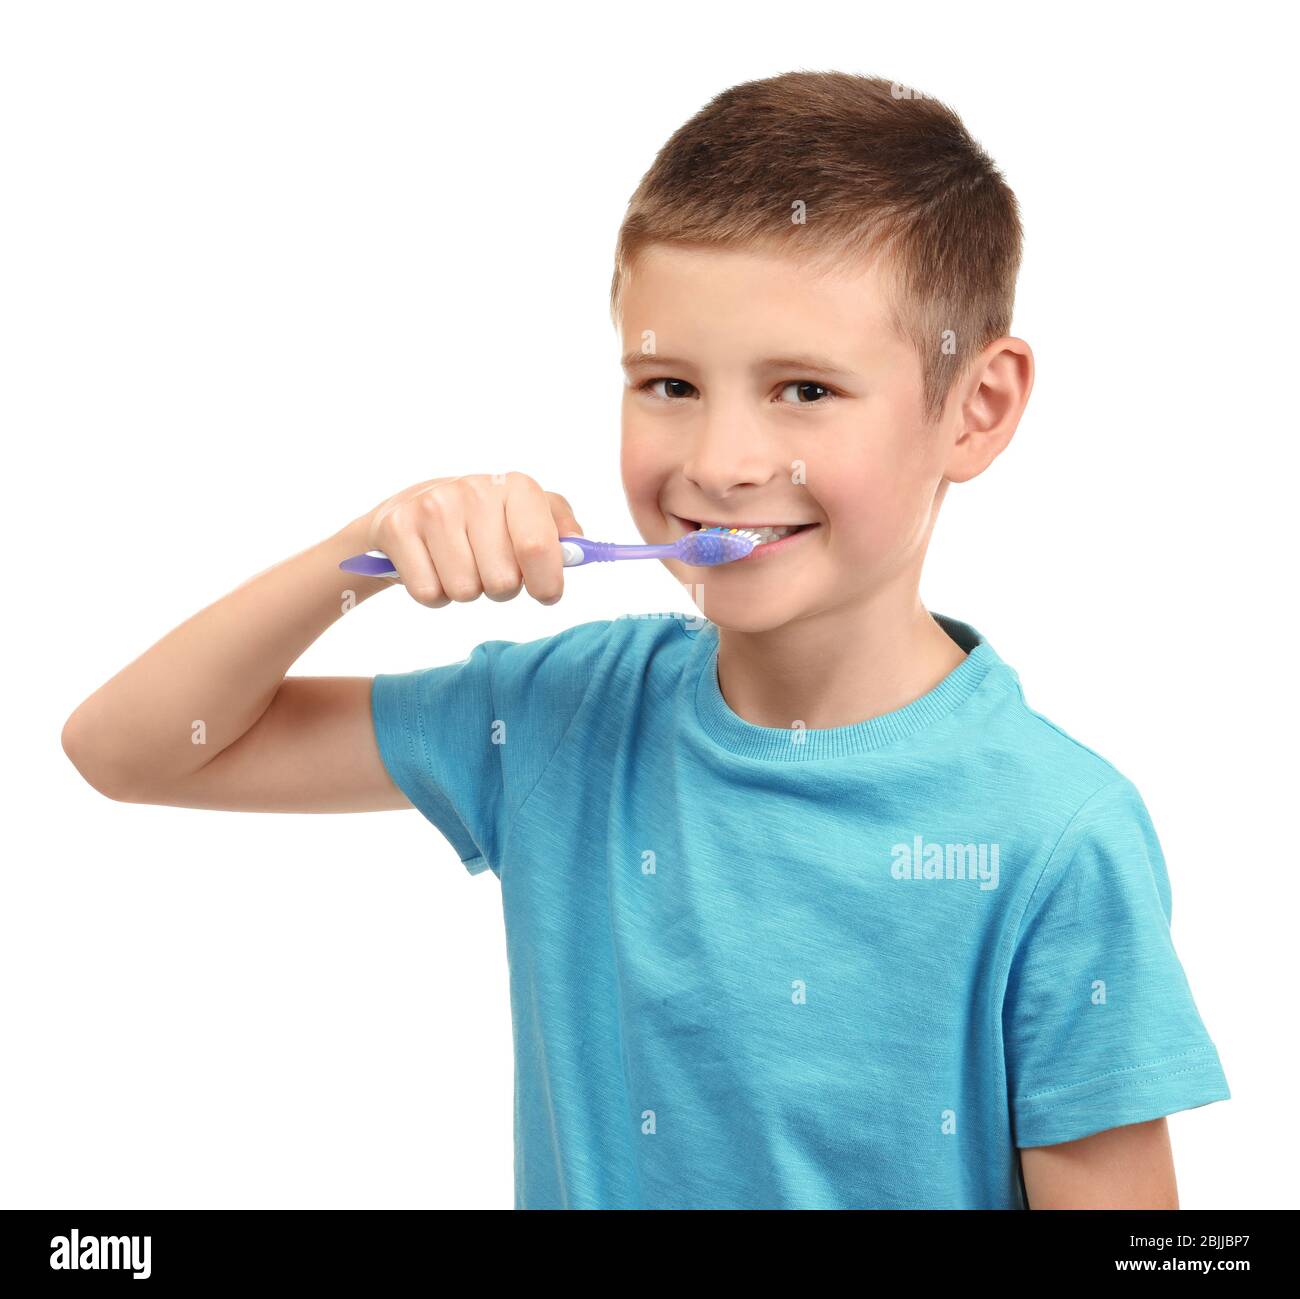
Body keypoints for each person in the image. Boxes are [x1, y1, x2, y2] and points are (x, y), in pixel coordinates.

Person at [62, 70, 1229, 1209]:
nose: (718, 464)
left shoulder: (1055, 834)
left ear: (975, 409)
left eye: (806, 391)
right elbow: (138, 749)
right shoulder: (562, 717)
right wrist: (362, 553)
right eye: (668, 383)